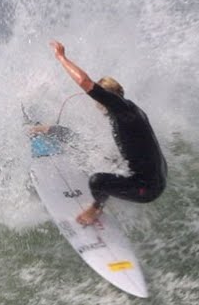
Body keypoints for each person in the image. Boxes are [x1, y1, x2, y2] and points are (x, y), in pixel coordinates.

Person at [48, 40, 166, 226]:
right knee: (107, 159)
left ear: (107, 97)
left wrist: (61, 57)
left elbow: (84, 82)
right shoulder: (130, 109)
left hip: (147, 188)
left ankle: (95, 210)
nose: (95, 103)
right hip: (156, 177)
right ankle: (115, 189)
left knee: (97, 181)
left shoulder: (119, 109)